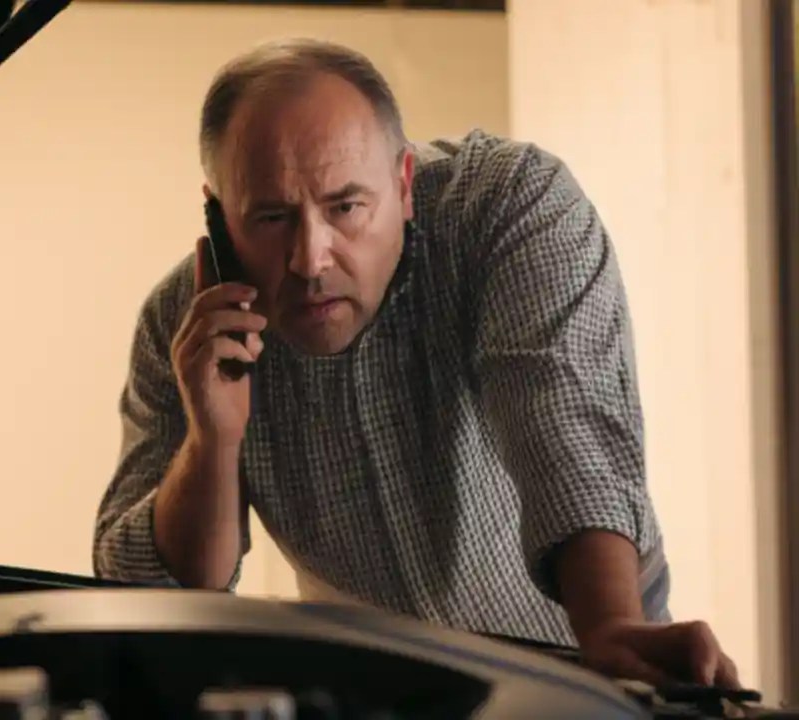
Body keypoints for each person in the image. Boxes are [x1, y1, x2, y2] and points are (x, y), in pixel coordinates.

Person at [91, 37, 739, 689]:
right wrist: (213, 440)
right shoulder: (182, 325)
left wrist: (610, 628)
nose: (310, 259)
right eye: (271, 217)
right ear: (218, 213)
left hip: (579, 679)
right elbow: (148, 591)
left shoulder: (511, 207)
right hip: (370, 695)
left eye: (345, 207)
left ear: (403, 184)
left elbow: (561, 421)